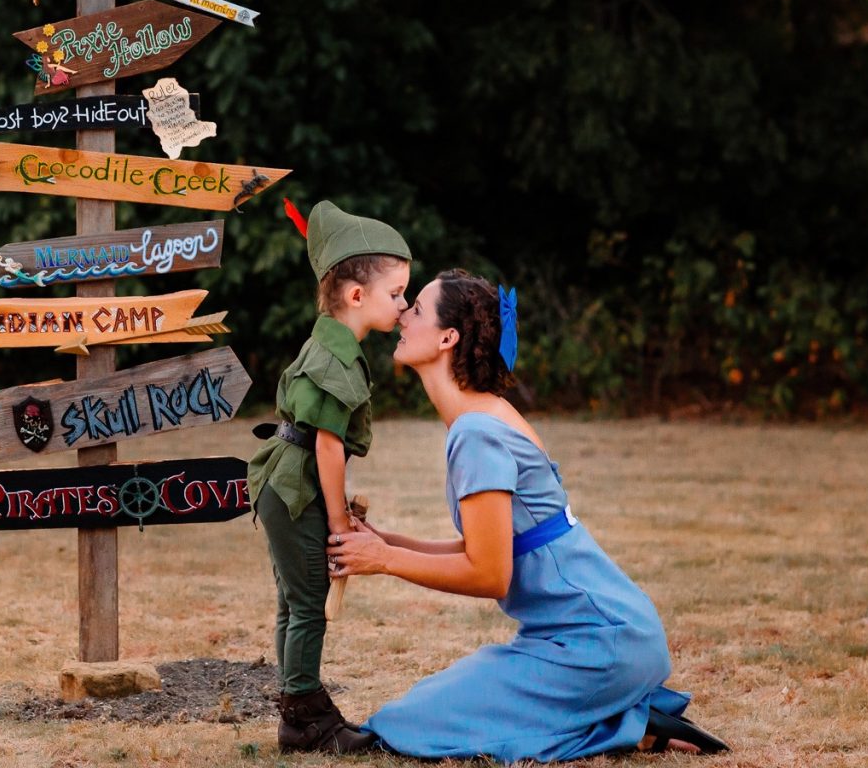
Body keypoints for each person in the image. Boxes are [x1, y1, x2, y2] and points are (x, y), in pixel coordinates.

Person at [328, 269, 730, 759]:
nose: (402, 316)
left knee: (408, 724)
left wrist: (385, 560)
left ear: (447, 338)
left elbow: (490, 573)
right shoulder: (485, 417)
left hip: (599, 643)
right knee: (432, 707)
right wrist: (384, 542)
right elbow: (495, 546)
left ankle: (634, 720)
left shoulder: (476, 433)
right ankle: (628, 715)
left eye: (416, 311)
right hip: (597, 634)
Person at [246, 200, 411, 753]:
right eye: (396, 294)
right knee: (309, 599)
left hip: (286, 487)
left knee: (295, 601)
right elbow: (328, 445)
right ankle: (303, 718)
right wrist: (339, 521)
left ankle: (300, 705)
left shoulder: (333, 345)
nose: (404, 305)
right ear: (356, 297)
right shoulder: (336, 360)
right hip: (295, 492)